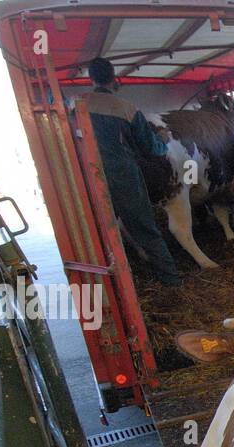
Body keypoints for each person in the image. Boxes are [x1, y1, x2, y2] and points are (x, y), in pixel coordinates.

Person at [84, 57, 181, 286]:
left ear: (91, 78)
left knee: (99, 234)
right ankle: (172, 282)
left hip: (89, 176)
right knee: (145, 229)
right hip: (123, 176)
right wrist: (163, 139)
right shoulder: (126, 109)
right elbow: (151, 148)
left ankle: (111, 285)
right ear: (113, 77)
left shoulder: (78, 108)